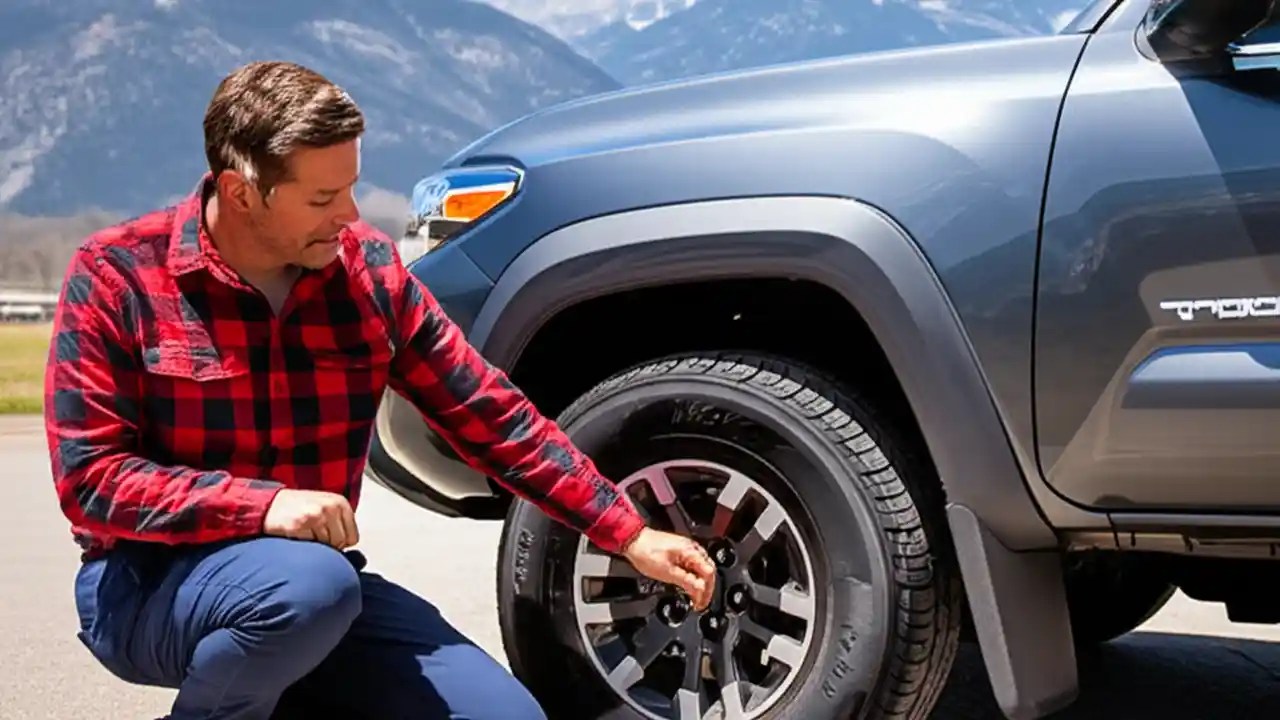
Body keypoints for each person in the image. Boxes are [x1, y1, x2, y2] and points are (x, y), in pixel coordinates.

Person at [43, 60, 717, 720]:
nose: (350, 214)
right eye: (321, 198)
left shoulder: (368, 274)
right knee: (306, 591)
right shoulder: (119, 275)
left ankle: (282, 684)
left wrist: (626, 532)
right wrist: (263, 506)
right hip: (150, 584)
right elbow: (92, 480)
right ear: (242, 191)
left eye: (351, 187)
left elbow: (493, 417)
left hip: (313, 597)